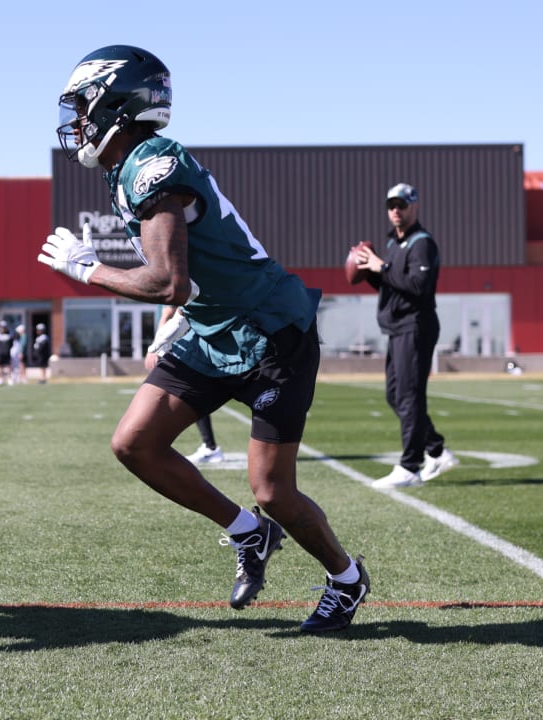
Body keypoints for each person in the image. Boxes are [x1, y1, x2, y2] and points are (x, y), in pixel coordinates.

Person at [38, 45, 368, 633]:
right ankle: (249, 534)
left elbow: (169, 279)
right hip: (214, 326)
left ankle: (345, 579)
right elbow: (196, 279)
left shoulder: (152, 164)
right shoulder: (128, 169)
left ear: (119, 102)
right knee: (134, 443)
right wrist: (178, 326)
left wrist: (87, 269)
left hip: (271, 332)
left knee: (272, 489)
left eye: (84, 107)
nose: (78, 122)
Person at [355, 183, 458, 488]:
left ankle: (410, 467)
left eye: (402, 204)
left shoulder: (421, 243)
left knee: (410, 396)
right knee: (394, 395)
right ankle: (436, 450)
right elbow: (393, 285)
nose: (396, 210)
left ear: (414, 206)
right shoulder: (393, 244)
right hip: (398, 326)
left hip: (416, 325)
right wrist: (370, 270)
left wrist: (381, 266)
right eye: (391, 205)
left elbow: (418, 286)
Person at [148, 306, 223, 464]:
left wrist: (156, 347)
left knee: (185, 394)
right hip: (179, 345)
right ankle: (210, 446)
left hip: (177, 346)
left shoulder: (168, 287)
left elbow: (168, 314)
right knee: (190, 395)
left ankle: (210, 447)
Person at [0, 321, 14, 386]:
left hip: (7, 352)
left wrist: (7, 349)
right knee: (0, 366)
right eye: (2, 327)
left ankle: (10, 379)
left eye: (4, 327)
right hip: (0, 353)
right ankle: (1, 379)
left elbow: (11, 344)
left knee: (9, 366)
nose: (3, 328)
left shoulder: (10, 334)